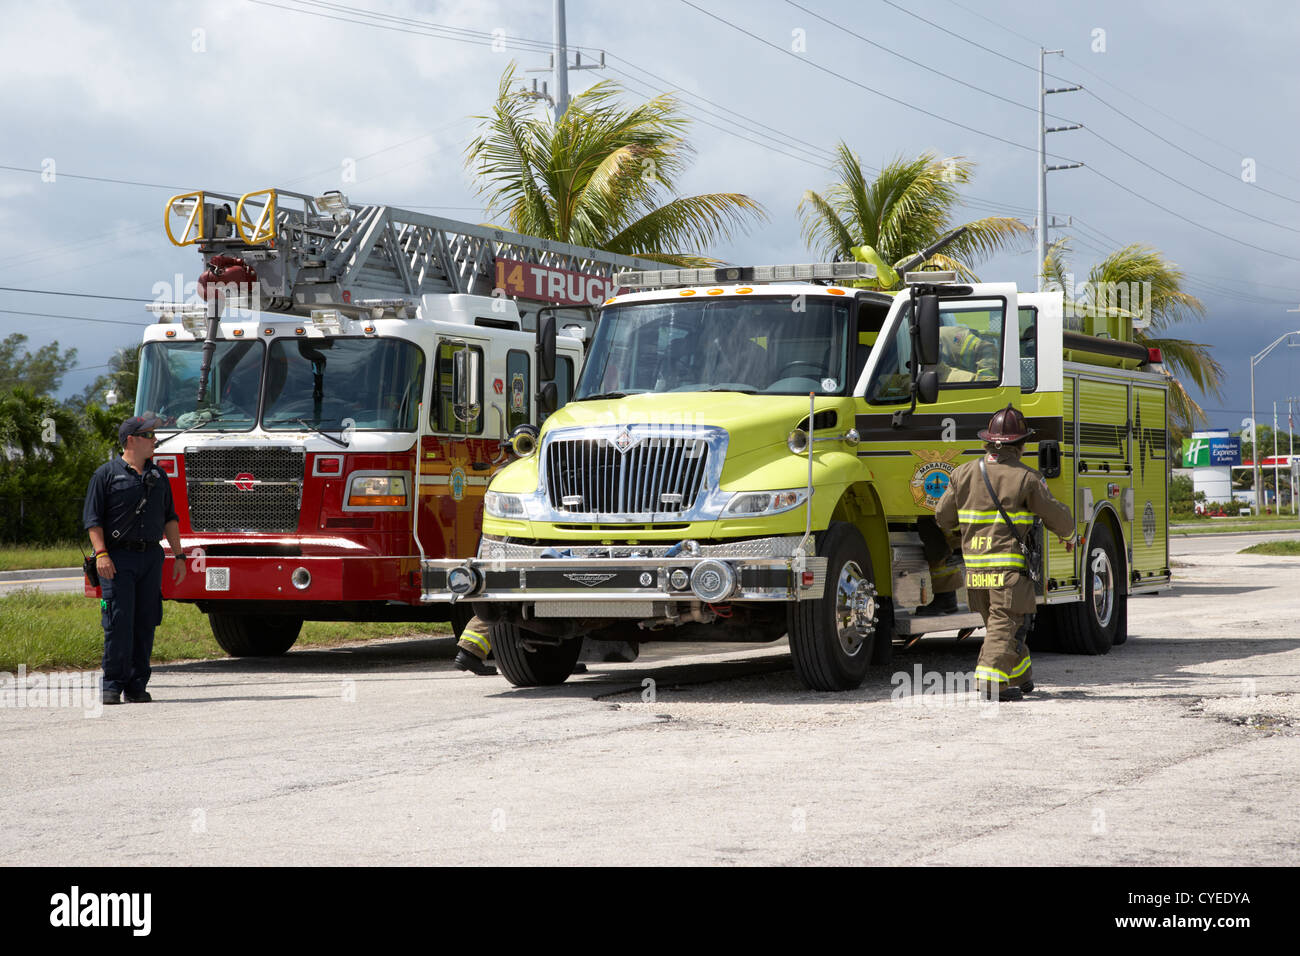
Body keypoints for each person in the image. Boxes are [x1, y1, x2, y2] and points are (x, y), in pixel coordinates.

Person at [936, 405, 1075, 701]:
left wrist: (967, 533)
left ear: (988, 441)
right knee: (1004, 628)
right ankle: (990, 683)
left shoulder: (962, 473)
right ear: (1020, 445)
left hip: (974, 576)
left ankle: (1021, 677)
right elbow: (1058, 518)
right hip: (1009, 575)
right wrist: (1071, 535)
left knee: (1007, 626)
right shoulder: (1027, 478)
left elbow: (942, 517)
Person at [83, 415, 186, 704]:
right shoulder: (105, 475)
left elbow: (170, 519)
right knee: (119, 621)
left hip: (151, 557)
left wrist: (179, 556)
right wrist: (101, 553)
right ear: (131, 440)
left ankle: (137, 685)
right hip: (117, 558)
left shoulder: (159, 476)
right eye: (149, 434)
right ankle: (112, 684)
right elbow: (93, 521)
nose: (155, 439)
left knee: (146, 621)